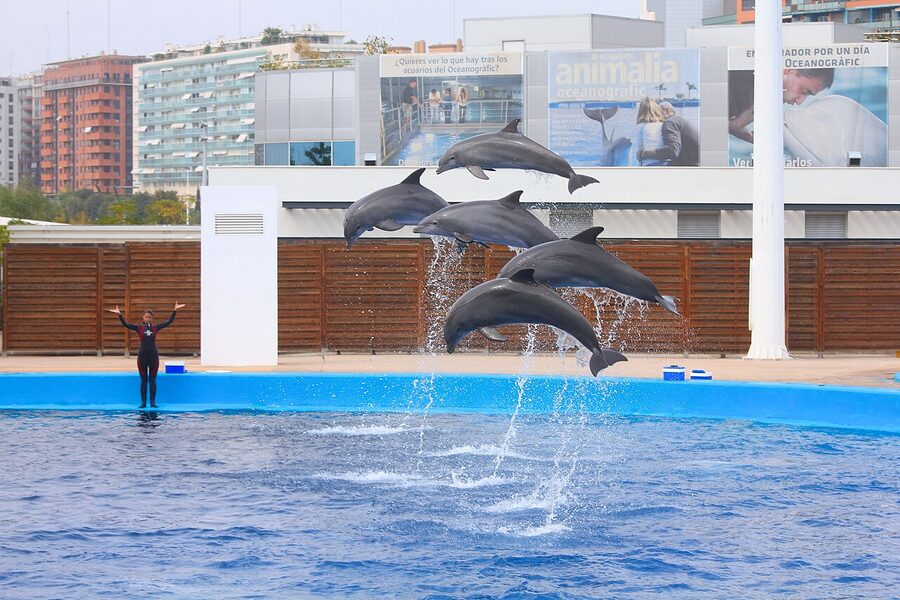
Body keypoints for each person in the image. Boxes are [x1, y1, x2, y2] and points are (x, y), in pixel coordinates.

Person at [729, 68, 834, 144]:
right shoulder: (738, 82)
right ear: (788, 70)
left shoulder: (755, 92)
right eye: (803, 91)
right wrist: (734, 126)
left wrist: (741, 132)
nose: (799, 102)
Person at [109, 302, 185, 408]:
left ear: (152, 318)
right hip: (142, 357)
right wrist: (119, 314)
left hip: (153, 357)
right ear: (143, 318)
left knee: (153, 381)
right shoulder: (139, 328)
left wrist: (175, 310)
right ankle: (143, 402)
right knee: (143, 381)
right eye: (146, 317)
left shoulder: (155, 328)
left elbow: (169, 321)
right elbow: (126, 324)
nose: (148, 318)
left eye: (150, 317)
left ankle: (153, 402)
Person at [638, 101, 700, 167]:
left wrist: (644, 154)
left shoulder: (670, 122)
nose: (656, 117)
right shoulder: (679, 120)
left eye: (657, 113)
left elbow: (673, 151)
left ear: (667, 111)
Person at [633, 97, 668, 166]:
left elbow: (639, 151)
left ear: (641, 111)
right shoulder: (663, 125)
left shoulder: (641, 126)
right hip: (665, 163)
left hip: (649, 164)